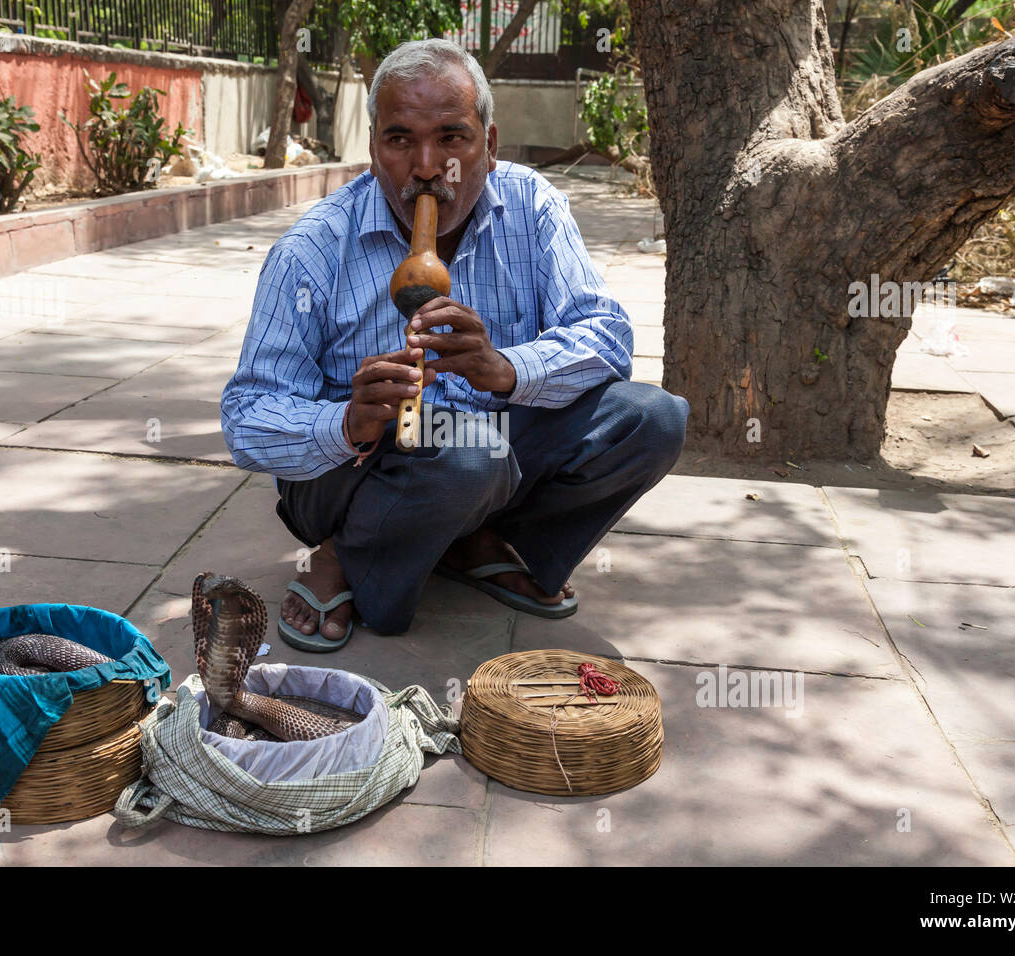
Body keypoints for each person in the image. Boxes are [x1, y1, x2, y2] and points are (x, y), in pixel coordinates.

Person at [220, 38, 689, 650]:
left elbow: (606, 334)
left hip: (487, 454)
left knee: (653, 419)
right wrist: (346, 421)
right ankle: (344, 550)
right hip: (357, 472)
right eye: (399, 140)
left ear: (489, 146)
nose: (425, 166)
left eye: (451, 138)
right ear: (372, 150)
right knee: (470, 456)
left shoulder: (533, 206)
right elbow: (246, 417)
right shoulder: (312, 249)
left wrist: (508, 368)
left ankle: (472, 541)